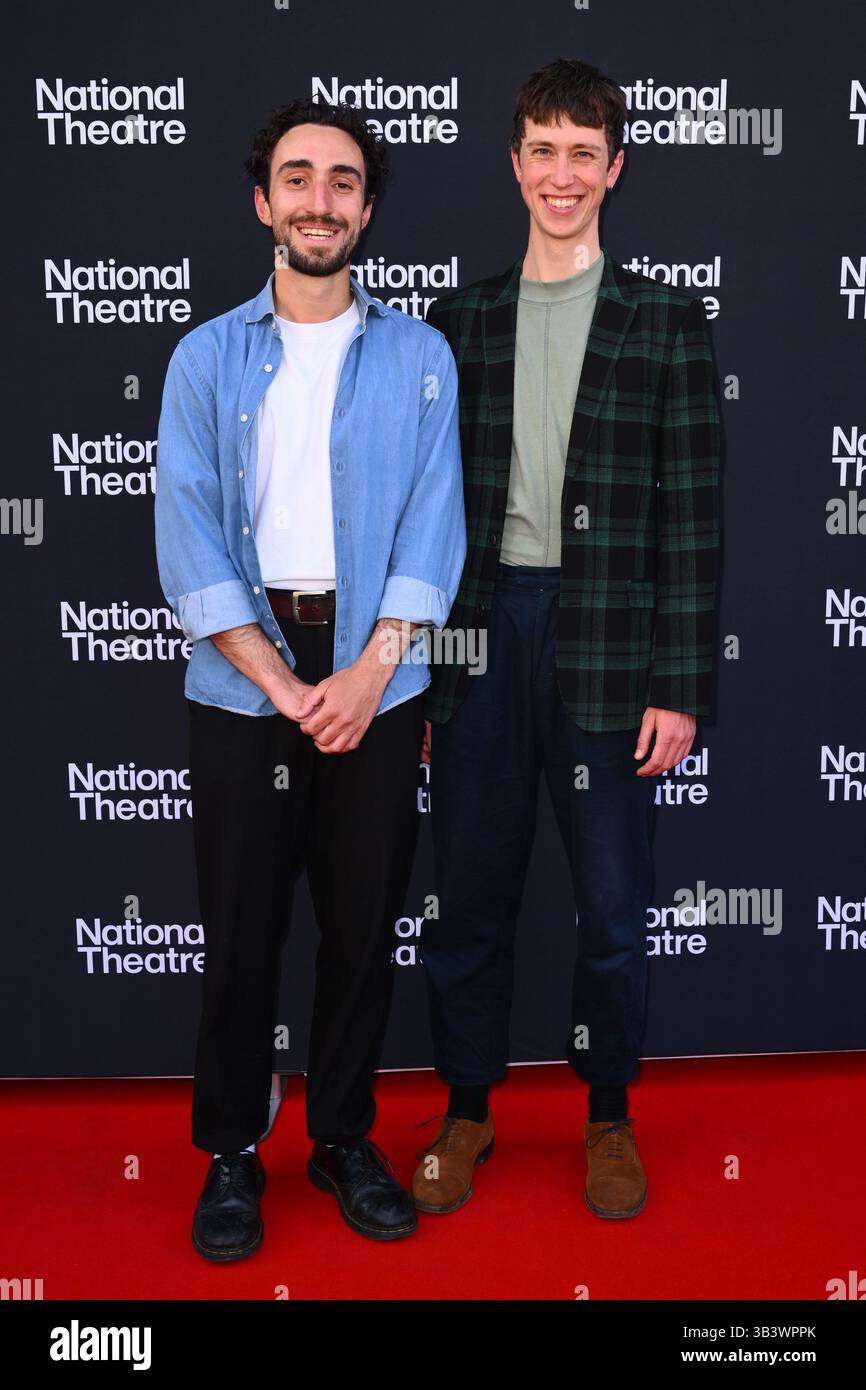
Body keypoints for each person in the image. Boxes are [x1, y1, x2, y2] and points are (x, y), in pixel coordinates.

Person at [154, 97, 466, 1258]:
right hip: (245, 686)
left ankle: (341, 1135)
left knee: (360, 927)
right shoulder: (203, 357)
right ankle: (232, 1151)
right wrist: (289, 690)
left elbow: (434, 530)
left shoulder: (421, 357)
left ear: (367, 208)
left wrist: (368, 674)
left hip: (376, 685)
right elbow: (187, 537)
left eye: (341, 181)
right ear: (262, 201)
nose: (318, 199)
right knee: (238, 932)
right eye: (297, 178)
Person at [412, 58, 721, 1220]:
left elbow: (690, 517)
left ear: (613, 169)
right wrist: (434, 688)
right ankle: (467, 1109)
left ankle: (606, 1117)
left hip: (605, 647)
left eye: (581, 153)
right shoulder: (461, 322)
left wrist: (678, 685)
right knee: (470, 897)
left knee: (610, 905)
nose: (560, 173)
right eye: (540, 150)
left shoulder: (664, 321)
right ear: (513, 163)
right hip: (482, 645)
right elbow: (428, 530)